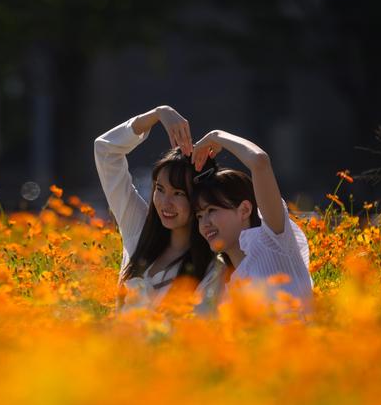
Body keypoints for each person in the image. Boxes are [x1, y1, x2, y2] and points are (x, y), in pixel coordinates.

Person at [93, 106, 223, 310]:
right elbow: (105, 150)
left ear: (200, 199)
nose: (165, 202)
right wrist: (158, 113)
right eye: (160, 189)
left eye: (179, 193)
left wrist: (221, 138)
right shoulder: (139, 230)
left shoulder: (213, 267)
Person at [189, 129, 313, 307]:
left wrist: (216, 136)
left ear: (245, 210)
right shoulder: (225, 291)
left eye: (212, 210)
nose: (204, 223)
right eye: (199, 216)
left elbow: (259, 161)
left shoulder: (274, 241)